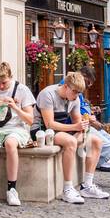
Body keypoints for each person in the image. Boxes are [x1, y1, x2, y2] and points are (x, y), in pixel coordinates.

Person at [35, 72, 101, 204]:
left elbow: (77, 123)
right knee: (71, 142)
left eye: (79, 93)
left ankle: (87, 185)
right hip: (42, 131)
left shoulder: (75, 99)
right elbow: (49, 124)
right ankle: (67, 189)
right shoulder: (47, 94)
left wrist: (82, 129)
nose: (77, 96)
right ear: (65, 86)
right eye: (75, 92)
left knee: (96, 141)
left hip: (62, 130)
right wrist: (75, 129)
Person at [0, 62, 36, 206]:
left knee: (10, 143)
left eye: (4, 83)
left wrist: (15, 107)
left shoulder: (22, 90)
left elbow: (30, 120)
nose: (1, 86)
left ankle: (12, 190)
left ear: (10, 77)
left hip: (17, 128)